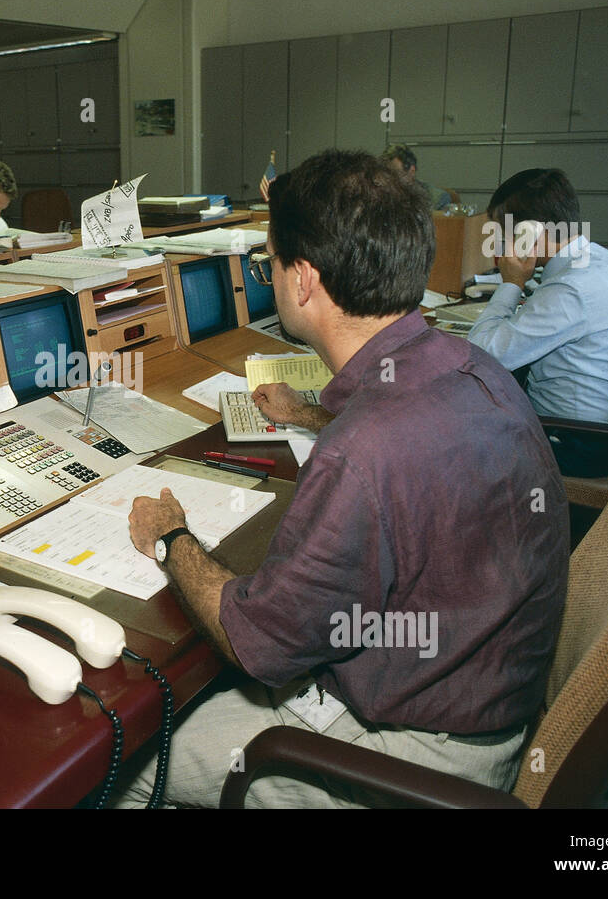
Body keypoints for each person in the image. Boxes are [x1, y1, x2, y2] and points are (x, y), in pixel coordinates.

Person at [119, 150, 568, 808]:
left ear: (303, 280)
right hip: (481, 700)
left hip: (415, 763)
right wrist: (310, 414)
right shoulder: (469, 365)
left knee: (128, 765)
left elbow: (259, 643)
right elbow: (415, 447)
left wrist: (171, 536)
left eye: (269, 262)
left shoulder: (363, 450)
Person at [466, 168, 608, 478]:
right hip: (606, 431)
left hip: (579, 442)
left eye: (502, 231)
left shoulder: (573, 287)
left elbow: (481, 354)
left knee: (453, 436)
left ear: (530, 233)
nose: (498, 242)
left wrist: (511, 284)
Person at [381, 142, 453, 211]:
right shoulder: (380, 198)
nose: (390, 180)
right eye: (386, 175)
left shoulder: (437, 199)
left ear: (411, 171)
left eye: (395, 174)